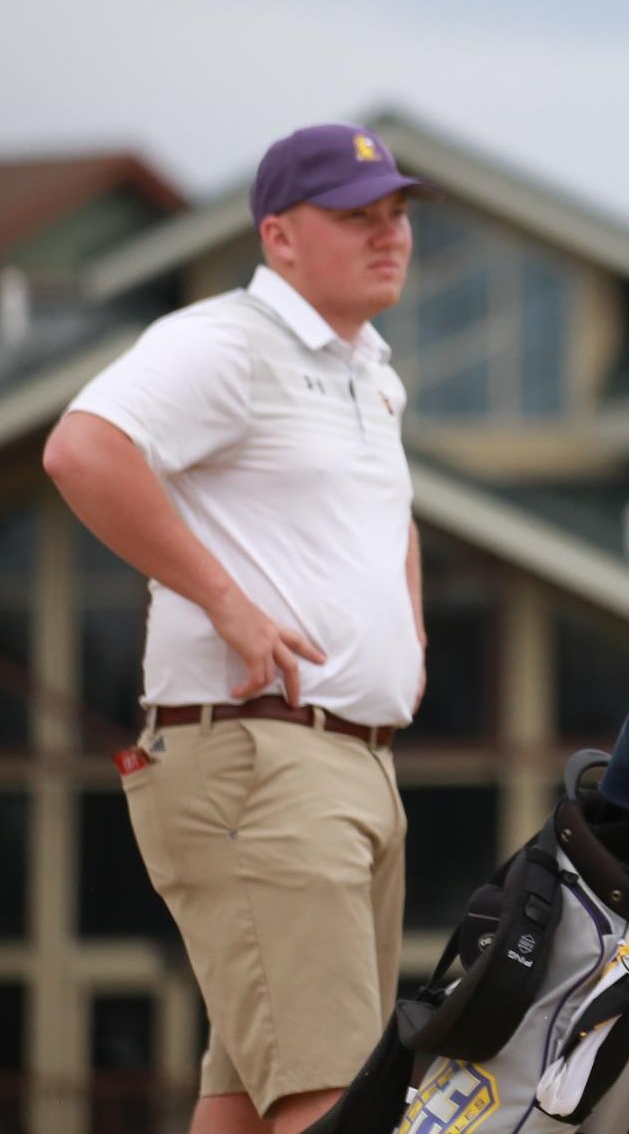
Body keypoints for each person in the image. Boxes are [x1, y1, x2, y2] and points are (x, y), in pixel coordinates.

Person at [43, 124, 428, 1134]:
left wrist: (408, 646)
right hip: (259, 758)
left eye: (397, 213)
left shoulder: (372, 374)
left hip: (341, 763)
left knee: (251, 1102)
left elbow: (392, 523)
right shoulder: (226, 341)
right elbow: (82, 451)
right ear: (279, 237)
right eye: (357, 216)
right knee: (334, 1101)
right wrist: (225, 600)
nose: (389, 234)